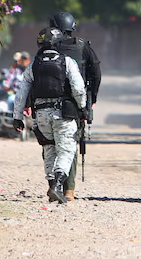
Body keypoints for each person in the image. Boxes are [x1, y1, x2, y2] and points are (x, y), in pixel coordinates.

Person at [10, 28, 86, 204]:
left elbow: (21, 93)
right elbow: (78, 88)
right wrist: (82, 109)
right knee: (67, 150)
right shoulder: (67, 62)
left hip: (40, 115)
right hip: (63, 114)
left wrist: (17, 117)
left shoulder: (33, 65)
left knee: (49, 149)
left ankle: (52, 185)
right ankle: (58, 185)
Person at [48, 11, 102, 201]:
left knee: (51, 146)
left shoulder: (48, 47)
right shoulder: (83, 47)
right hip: (76, 105)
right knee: (70, 145)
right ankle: (68, 190)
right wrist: (91, 99)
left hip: (48, 105)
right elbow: (96, 74)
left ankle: (53, 185)